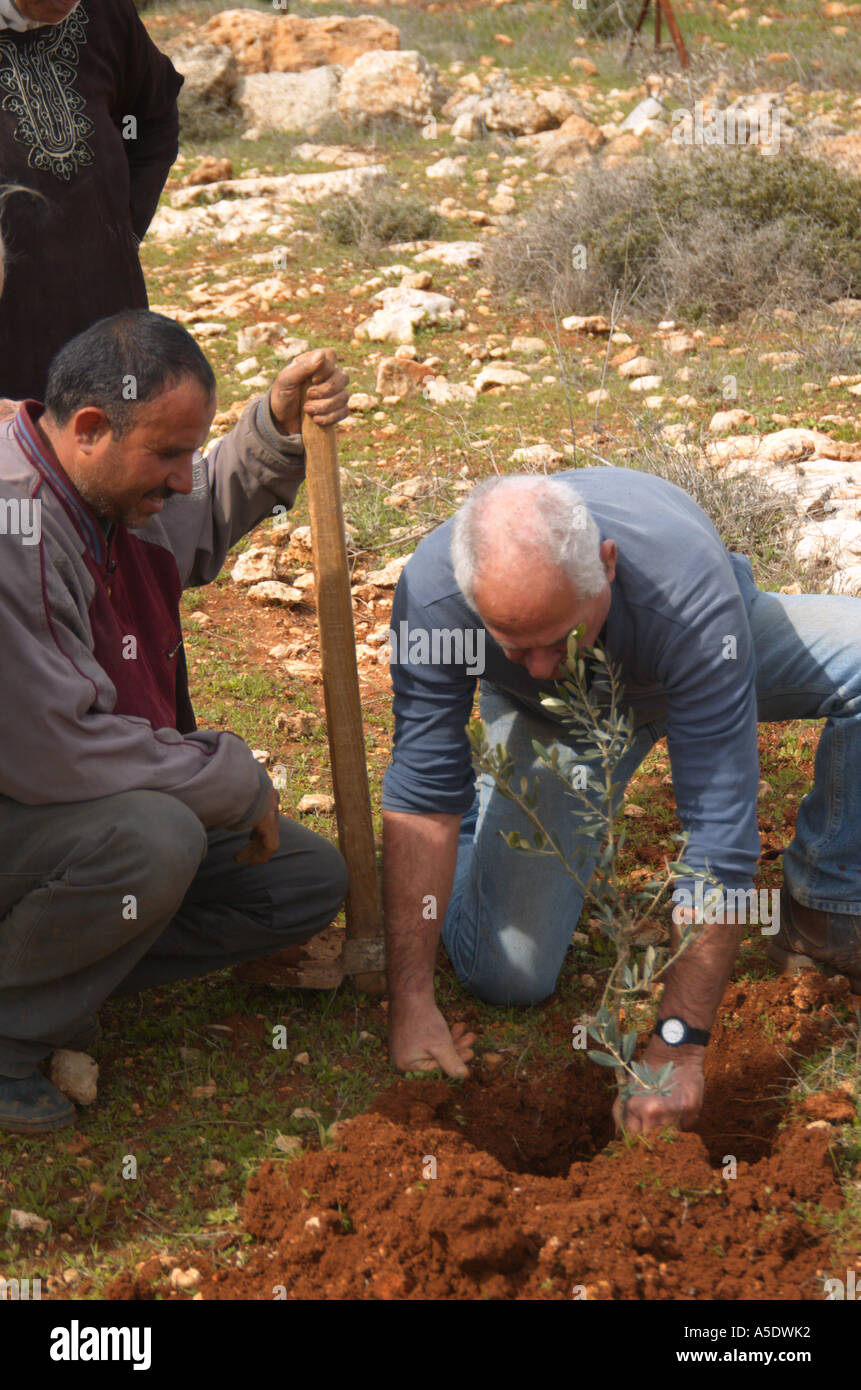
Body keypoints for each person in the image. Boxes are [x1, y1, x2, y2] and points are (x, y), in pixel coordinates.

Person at [381, 470, 861, 1136]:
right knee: (508, 977)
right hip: (556, 721)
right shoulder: (435, 592)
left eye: (558, 638)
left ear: (605, 567)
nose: (542, 661)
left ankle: (828, 904)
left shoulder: (684, 595)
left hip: (705, 656)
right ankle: (484, 831)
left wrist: (678, 1043)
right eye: (514, 645)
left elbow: (717, 840)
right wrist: (408, 1001)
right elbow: (420, 795)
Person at [0, 310, 350, 1133]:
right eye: (168, 454)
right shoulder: (13, 527)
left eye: (190, 451)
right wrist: (230, 778)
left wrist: (268, 429)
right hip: (31, 786)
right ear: (90, 428)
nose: (185, 478)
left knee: (299, 882)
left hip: (44, 808)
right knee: (154, 839)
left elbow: (181, 524)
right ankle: (12, 1032)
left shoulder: (90, 483)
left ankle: (56, 971)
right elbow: (53, 750)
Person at [0, 0, 182, 399]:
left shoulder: (104, 11)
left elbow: (151, 114)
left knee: (118, 438)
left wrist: (122, 229)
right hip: (11, 327)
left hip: (107, 307)